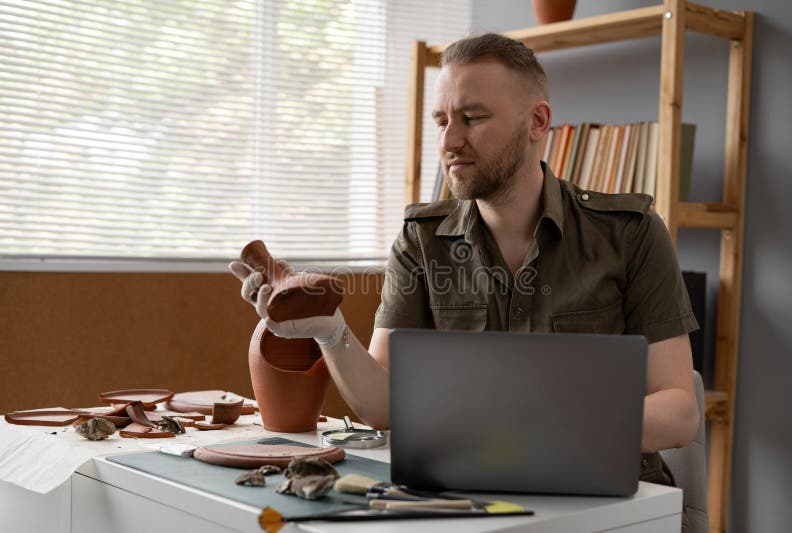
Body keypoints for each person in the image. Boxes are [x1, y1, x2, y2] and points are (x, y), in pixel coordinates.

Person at [230, 33, 699, 486]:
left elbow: (679, 412)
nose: (450, 140)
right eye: (441, 121)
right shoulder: (421, 240)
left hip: (612, 499)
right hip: (470, 494)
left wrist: (530, 424)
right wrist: (328, 330)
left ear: (537, 123)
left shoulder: (630, 233)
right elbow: (383, 404)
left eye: (472, 117)